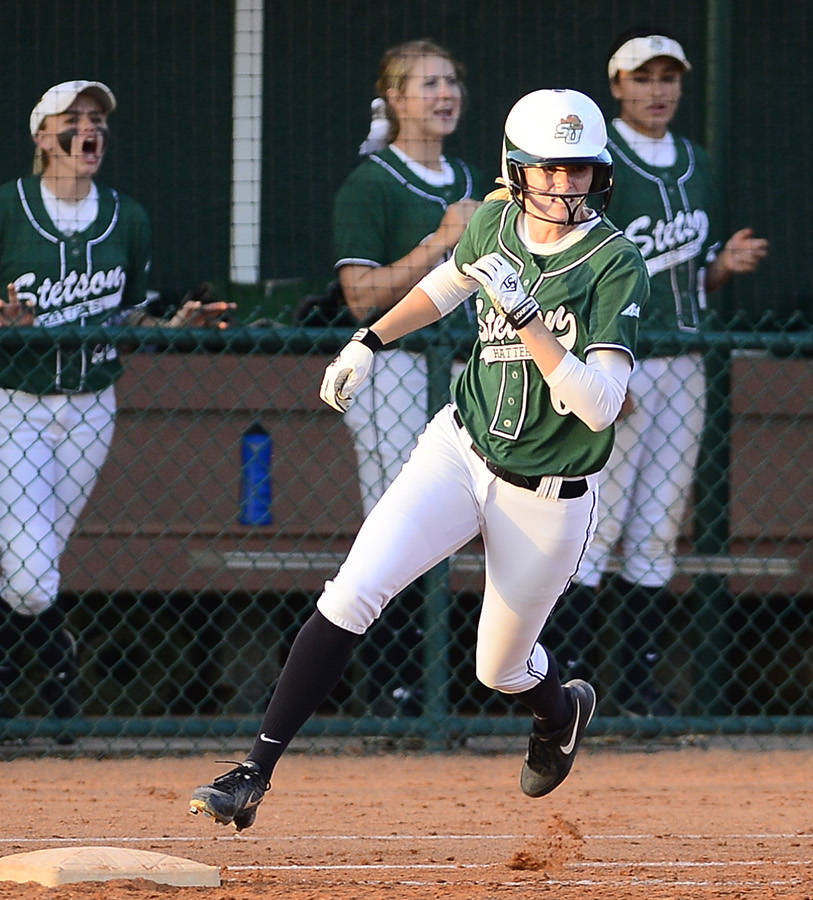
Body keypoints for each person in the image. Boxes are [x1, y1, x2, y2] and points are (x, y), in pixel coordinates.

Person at [189, 89, 647, 831]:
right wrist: (367, 342)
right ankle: (253, 771)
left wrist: (525, 317)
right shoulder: (496, 219)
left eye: (579, 170)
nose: (565, 185)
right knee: (355, 589)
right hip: (461, 446)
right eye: (549, 169)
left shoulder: (615, 262)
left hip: (549, 493)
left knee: (497, 668)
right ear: (515, 169)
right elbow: (447, 284)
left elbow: (598, 405)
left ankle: (560, 709)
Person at [0, 80, 229, 741]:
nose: (88, 129)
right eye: (73, 120)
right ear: (43, 137)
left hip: (92, 403)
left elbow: (128, 312)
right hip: (13, 401)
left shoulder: (126, 217)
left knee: (38, 562)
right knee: (32, 567)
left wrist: (171, 323)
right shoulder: (1, 210)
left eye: (97, 119)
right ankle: (59, 678)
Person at [552, 28, 768, 716]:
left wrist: (719, 271)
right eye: (643, 78)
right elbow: (577, 268)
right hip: (623, 364)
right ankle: (569, 685)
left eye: (669, 77)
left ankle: (639, 686)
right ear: (617, 85)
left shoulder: (696, 161)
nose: (658, 90)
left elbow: (681, 275)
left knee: (656, 526)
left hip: (688, 360)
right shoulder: (599, 159)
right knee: (599, 525)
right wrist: (600, 370)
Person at [330, 39, 484, 718]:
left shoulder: (473, 179)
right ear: (393, 99)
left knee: (462, 531)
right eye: (426, 84)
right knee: (398, 531)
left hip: (465, 374)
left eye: (450, 81)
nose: (444, 94)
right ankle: (392, 687)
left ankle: (440, 690)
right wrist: (441, 241)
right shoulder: (372, 182)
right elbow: (360, 297)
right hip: (395, 370)